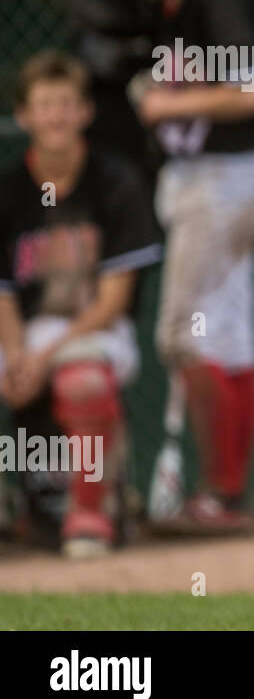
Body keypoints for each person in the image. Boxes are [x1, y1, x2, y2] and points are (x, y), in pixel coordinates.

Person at [94, 0, 254, 531]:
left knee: (181, 334)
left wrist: (167, 104)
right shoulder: (171, 7)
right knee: (226, 336)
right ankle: (225, 497)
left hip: (221, 180)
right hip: (207, 180)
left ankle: (221, 492)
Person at [0, 51, 161, 557]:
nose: (56, 116)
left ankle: (90, 513)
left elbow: (114, 301)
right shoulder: (7, 189)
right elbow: (2, 290)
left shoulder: (115, 182)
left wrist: (42, 359)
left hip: (91, 330)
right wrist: (17, 355)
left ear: (86, 112)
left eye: (67, 104)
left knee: (84, 381)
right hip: (20, 332)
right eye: (45, 105)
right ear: (23, 115)